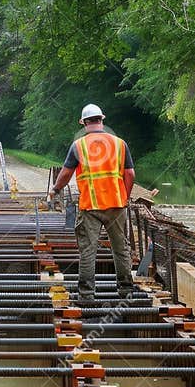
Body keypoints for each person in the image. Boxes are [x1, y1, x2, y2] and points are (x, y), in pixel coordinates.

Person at [49, 104, 135, 302]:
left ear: (85, 123)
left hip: (90, 206)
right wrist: (125, 197)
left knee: (88, 250)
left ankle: (87, 295)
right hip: (116, 204)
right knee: (121, 248)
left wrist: (55, 190)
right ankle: (126, 291)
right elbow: (130, 173)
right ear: (101, 120)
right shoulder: (120, 144)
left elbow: (66, 173)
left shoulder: (78, 146)